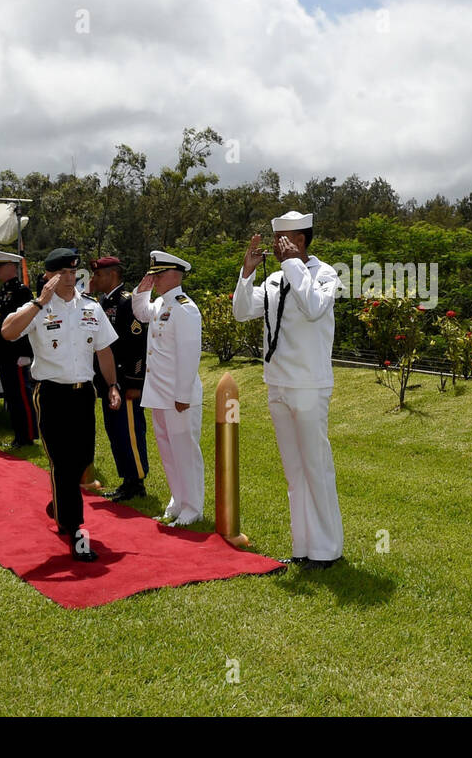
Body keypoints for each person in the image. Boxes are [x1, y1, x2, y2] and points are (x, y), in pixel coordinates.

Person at [232, 211, 344, 568]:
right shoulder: (277, 278)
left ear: (301, 240)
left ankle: (327, 550)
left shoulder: (325, 274)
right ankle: (303, 546)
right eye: (277, 240)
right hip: (277, 383)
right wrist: (247, 273)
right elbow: (242, 311)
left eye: (287, 239)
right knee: (294, 471)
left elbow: (313, 308)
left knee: (316, 466)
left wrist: (294, 265)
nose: (279, 247)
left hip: (309, 384)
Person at [1, 248, 121, 562]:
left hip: (83, 394)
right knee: (63, 463)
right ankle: (75, 529)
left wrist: (111, 386)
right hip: (51, 395)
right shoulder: (37, 307)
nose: (69, 279)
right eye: (62, 273)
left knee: (82, 459)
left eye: (72, 273)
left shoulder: (90, 307)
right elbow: (8, 332)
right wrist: (40, 301)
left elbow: (104, 350)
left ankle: (59, 503)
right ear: (49, 276)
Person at [132, 252, 205, 524]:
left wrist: (183, 395)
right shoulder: (162, 304)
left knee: (185, 451)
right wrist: (142, 289)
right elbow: (140, 312)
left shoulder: (185, 308)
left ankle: (192, 508)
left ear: (175, 275)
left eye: (159, 275)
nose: (156, 279)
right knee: (168, 450)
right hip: (160, 394)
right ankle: (178, 499)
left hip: (177, 396)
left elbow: (189, 354)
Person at [87, 257, 149, 503]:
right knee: (115, 431)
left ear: (112, 274)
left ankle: (136, 481)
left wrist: (135, 383)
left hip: (125, 381)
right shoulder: (104, 301)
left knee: (129, 431)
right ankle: (127, 479)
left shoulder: (127, 303)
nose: (94, 279)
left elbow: (137, 346)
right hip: (108, 380)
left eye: (98, 275)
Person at [0, 250, 37, 448]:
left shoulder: (22, 291)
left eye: (0, 267)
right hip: (5, 349)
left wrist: (25, 353)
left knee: (21, 394)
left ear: (12, 267)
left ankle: (27, 435)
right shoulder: (6, 289)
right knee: (12, 395)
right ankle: (19, 435)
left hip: (16, 351)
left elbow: (26, 324)